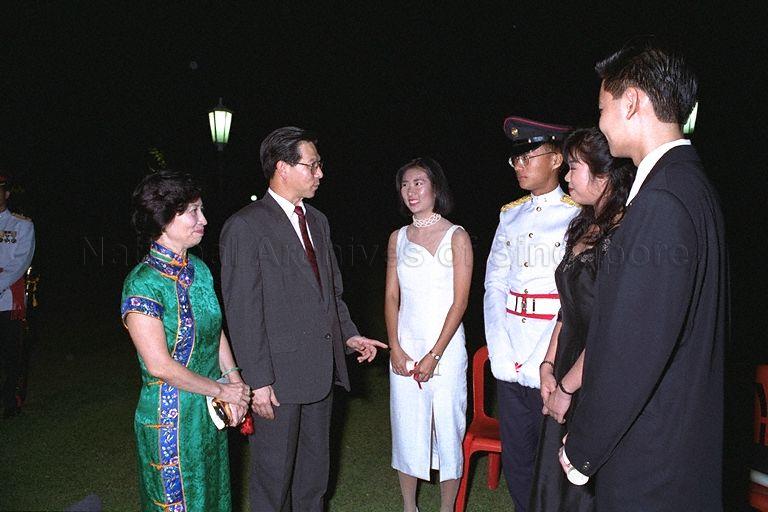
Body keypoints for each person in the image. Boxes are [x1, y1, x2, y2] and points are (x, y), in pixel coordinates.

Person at [561, 40, 728, 511]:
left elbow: (633, 346)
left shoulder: (662, 201)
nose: (599, 121)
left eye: (602, 108)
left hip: (652, 461)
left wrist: (583, 446)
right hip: (679, 447)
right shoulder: (690, 183)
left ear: (631, 101)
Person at [219, 126, 387, 512]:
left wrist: (349, 336)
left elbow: (330, 294)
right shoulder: (245, 226)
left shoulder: (318, 222)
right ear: (282, 168)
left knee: (314, 481)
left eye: (319, 165)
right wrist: (258, 381)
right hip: (277, 381)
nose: (320, 173)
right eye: (312, 165)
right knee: (273, 483)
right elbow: (243, 312)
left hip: (320, 372)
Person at [121, 170, 251, 512]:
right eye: (193, 211)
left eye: (201, 209)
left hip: (209, 413)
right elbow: (160, 366)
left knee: (215, 498)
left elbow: (215, 330)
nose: (204, 219)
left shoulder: (200, 270)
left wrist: (235, 383)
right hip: (170, 421)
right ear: (163, 218)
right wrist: (223, 390)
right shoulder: (142, 284)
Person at [529, 128, 635, 511]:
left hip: (595, 376)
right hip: (565, 367)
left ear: (604, 176)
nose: (567, 176)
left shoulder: (623, 236)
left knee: (579, 491)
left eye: (574, 167)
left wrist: (567, 388)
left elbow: (614, 331)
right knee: (551, 483)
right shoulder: (583, 224)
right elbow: (567, 308)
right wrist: (547, 366)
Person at [483, 116, 580, 512]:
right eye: (515, 159)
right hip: (511, 354)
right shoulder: (510, 214)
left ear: (556, 159)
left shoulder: (578, 215)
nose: (519, 166)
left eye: (528, 157)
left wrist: (547, 359)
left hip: (552, 356)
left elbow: (573, 299)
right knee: (518, 457)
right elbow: (494, 284)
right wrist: (500, 348)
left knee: (554, 458)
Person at [385, 157, 473, 512]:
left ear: (436, 187)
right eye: (405, 184)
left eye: (418, 182)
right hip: (406, 345)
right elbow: (391, 297)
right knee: (407, 427)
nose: (411, 191)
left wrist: (435, 354)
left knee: (449, 428)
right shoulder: (397, 238)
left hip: (446, 348)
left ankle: (446, 509)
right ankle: (410, 506)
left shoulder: (458, 236)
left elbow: (460, 302)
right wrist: (395, 348)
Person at [0, 173, 35, 419]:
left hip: (8, 299)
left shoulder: (21, 225)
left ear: (7, 193)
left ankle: (11, 401)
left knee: (12, 353)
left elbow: (21, 261)